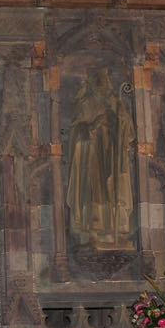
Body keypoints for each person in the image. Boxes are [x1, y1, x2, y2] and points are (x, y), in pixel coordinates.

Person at [66, 68, 135, 249]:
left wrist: (122, 119)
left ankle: (116, 231)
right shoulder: (85, 104)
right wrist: (93, 127)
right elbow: (74, 133)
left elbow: (128, 134)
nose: (103, 85)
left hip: (111, 155)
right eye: (99, 81)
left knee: (113, 189)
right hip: (92, 155)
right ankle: (92, 231)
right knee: (93, 191)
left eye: (105, 81)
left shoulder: (114, 103)